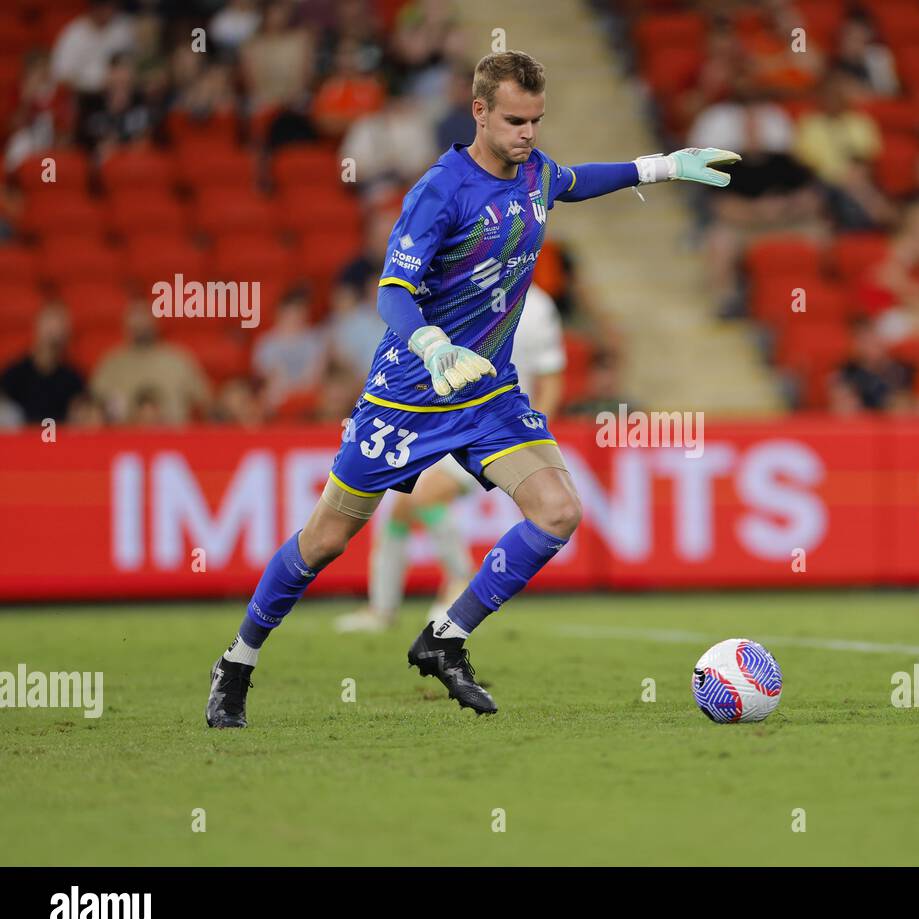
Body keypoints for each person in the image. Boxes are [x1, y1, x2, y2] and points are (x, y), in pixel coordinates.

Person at [206, 50, 741, 727]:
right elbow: (394, 290)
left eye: (537, 121)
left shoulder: (536, 173)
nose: (528, 134)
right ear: (479, 111)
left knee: (557, 513)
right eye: (515, 120)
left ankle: (444, 638)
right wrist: (430, 344)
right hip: (409, 394)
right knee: (324, 541)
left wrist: (661, 166)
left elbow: (574, 180)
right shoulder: (441, 189)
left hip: (487, 393)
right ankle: (238, 661)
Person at [334, 285, 566, 632]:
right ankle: (381, 610)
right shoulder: (467, 283)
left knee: (427, 496)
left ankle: (459, 586)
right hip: (448, 418)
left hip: (497, 427)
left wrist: (532, 437)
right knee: (400, 510)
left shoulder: (537, 305)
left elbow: (551, 378)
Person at [0, 303, 86, 423]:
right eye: (49, 324)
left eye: (59, 325)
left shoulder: (73, 379)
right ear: (36, 326)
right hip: (21, 439)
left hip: (59, 439)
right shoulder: (14, 374)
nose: (53, 332)